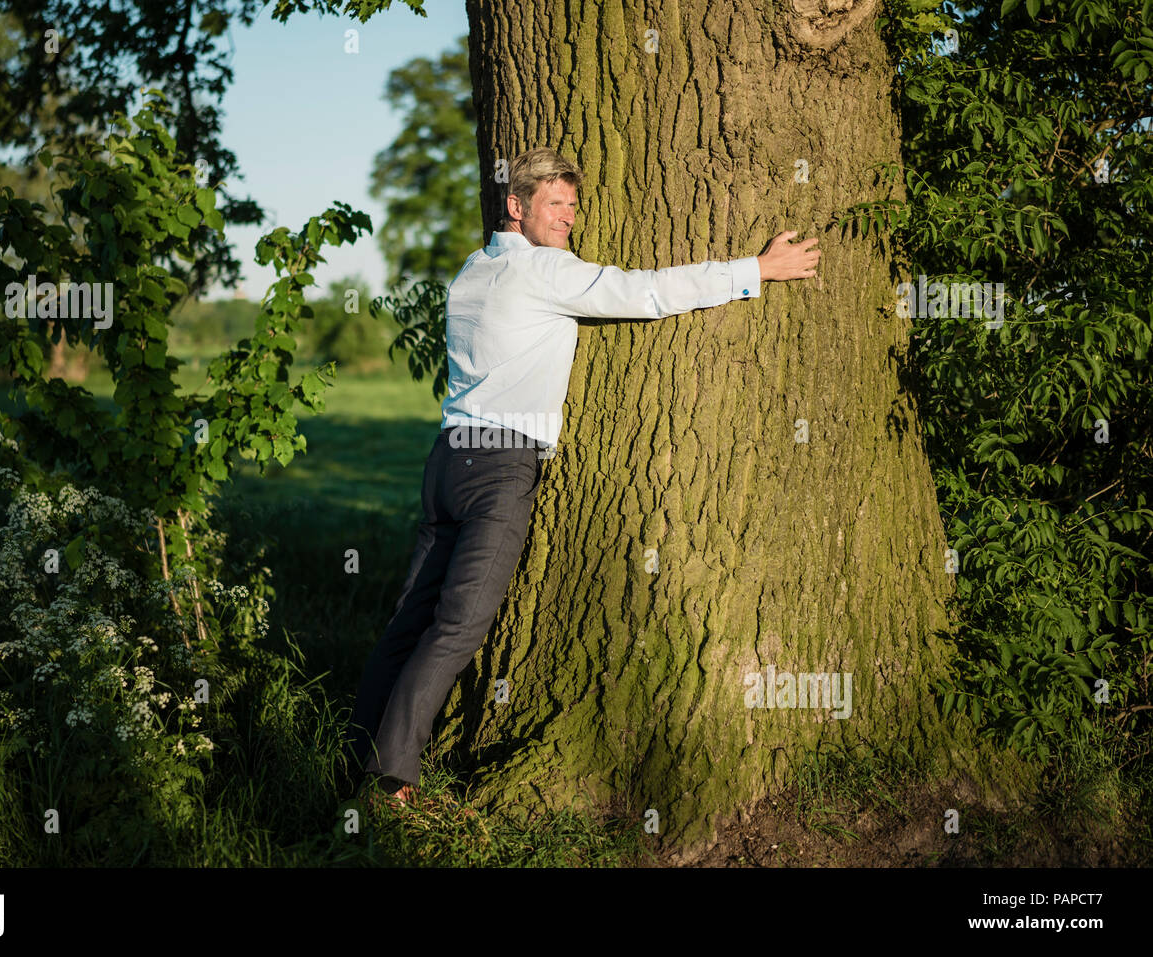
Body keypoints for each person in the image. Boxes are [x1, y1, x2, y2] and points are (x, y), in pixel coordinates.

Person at [346, 147, 821, 807]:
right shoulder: (544, 270)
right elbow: (647, 292)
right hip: (500, 466)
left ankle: (355, 749)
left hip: (448, 457)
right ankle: (390, 779)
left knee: (410, 619)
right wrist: (757, 270)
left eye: (572, 203)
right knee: (456, 625)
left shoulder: (472, 269)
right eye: (554, 202)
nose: (568, 216)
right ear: (516, 205)